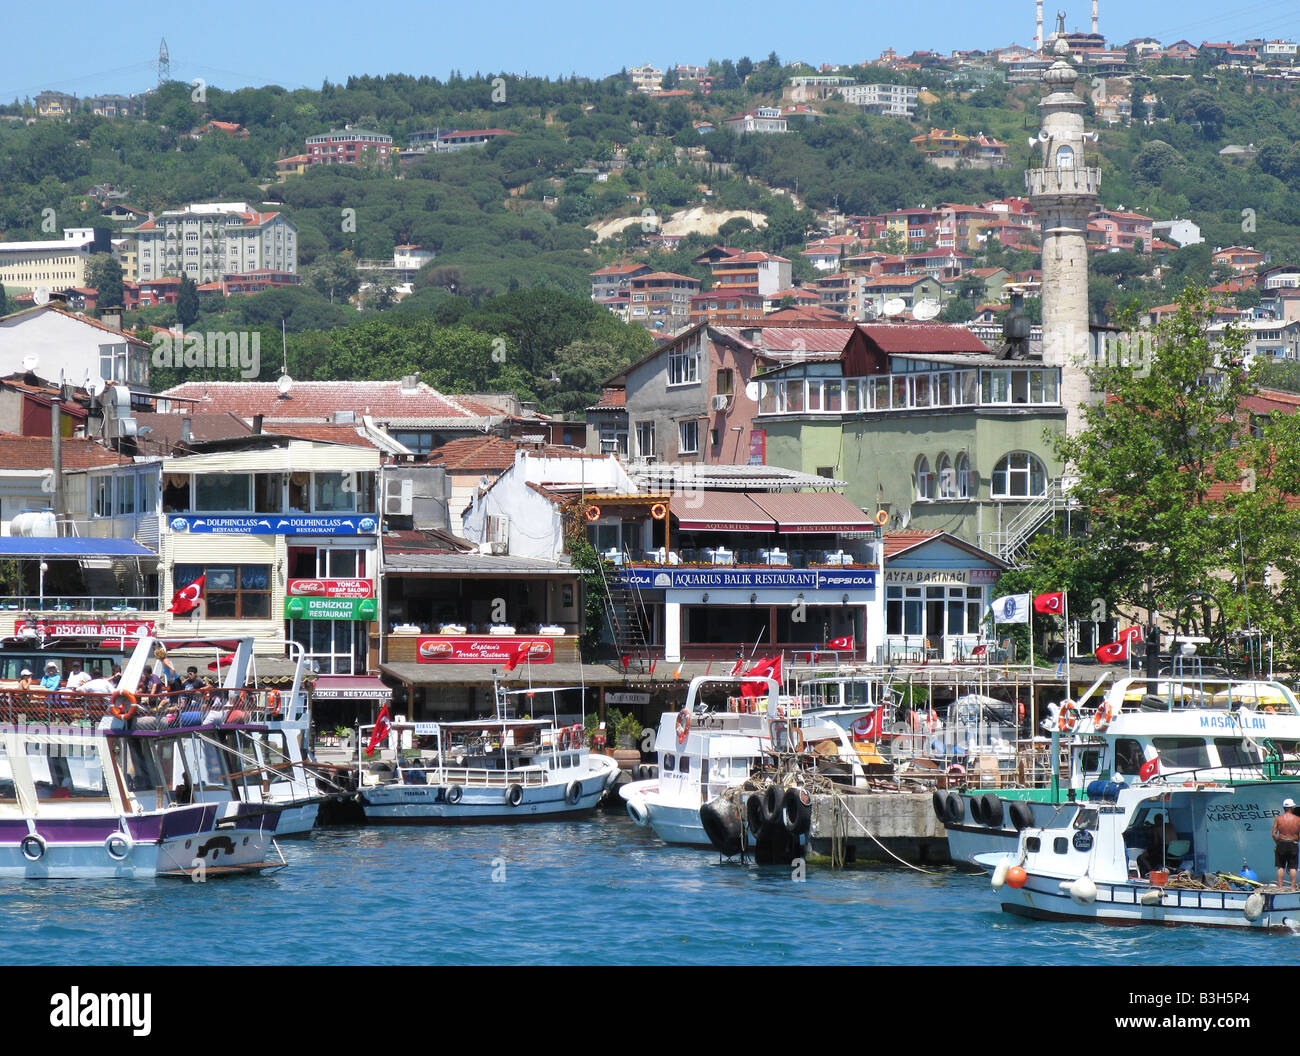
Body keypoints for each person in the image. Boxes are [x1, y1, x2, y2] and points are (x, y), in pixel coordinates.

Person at [1273, 797, 1300, 891]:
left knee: (1280, 866)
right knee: (1293, 867)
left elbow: (1273, 833)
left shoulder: (1279, 818)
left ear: (1284, 808)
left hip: (1281, 843)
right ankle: (1292, 887)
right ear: (1292, 808)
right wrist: (1296, 840)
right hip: (1293, 843)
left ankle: (1280, 887)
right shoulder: (1297, 819)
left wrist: (1277, 842)